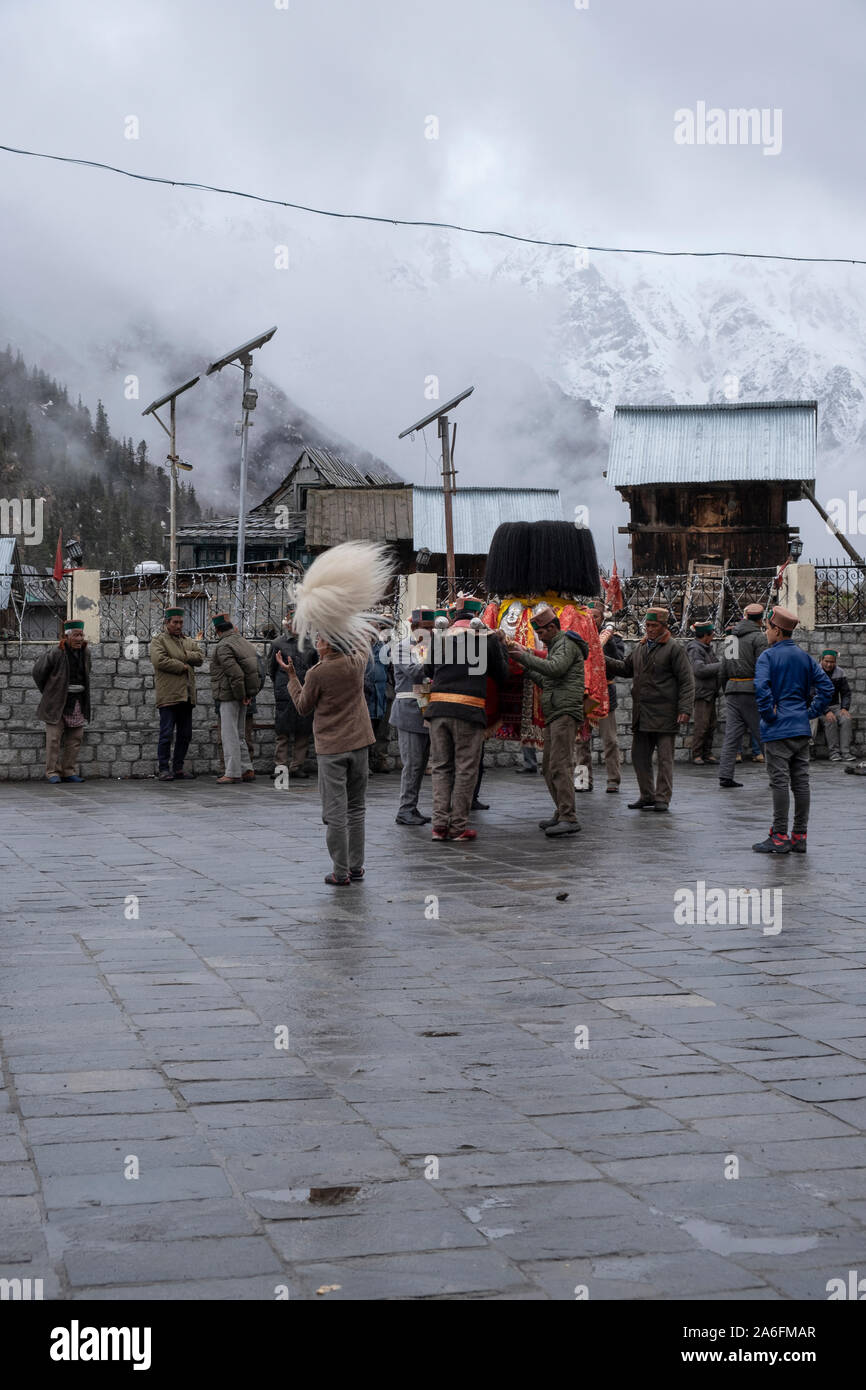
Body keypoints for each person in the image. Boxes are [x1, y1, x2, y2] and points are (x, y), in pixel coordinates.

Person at [276, 539, 394, 885]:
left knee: (335, 813)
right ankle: (357, 867)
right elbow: (363, 641)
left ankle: (340, 871)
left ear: (329, 642)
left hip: (331, 749)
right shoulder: (356, 664)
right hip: (360, 744)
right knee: (357, 809)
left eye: (322, 638)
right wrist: (350, 616)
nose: (318, 640)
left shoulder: (319, 672)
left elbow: (302, 706)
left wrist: (292, 677)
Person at [752, 605, 834, 854]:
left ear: (777, 630)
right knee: (801, 783)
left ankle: (779, 836)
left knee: (779, 782)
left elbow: (761, 688)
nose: (766, 633)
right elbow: (826, 689)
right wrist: (809, 712)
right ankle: (799, 836)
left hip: (778, 729)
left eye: (767, 628)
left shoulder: (767, 656)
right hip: (800, 728)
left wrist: (768, 714)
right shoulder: (804, 657)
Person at [424, 601, 508, 841]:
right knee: (465, 769)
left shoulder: (440, 637)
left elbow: (428, 671)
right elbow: (502, 674)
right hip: (469, 710)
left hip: (438, 709)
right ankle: (458, 826)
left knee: (440, 767)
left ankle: (439, 825)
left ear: (453, 619)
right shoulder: (485, 638)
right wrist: (500, 645)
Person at [505, 604, 588, 836]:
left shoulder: (566, 644)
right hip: (555, 711)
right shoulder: (555, 646)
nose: (539, 638)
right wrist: (525, 668)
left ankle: (569, 816)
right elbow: (547, 680)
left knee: (560, 765)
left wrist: (525, 657)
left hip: (564, 711)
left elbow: (555, 669)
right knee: (549, 767)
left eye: (541, 633)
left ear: (552, 628)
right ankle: (562, 811)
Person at [604, 606, 695, 812]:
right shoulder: (641, 648)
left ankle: (662, 798)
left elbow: (687, 681)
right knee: (639, 756)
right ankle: (647, 795)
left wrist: (685, 708)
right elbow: (625, 668)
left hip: (665, 712)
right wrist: (602, 659)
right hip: (642, 713)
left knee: (665, 759)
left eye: (654, 626)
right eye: (648, 625)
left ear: (664, 626)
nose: (650, 629)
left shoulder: (674, 649)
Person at [32, 619, 92, 783]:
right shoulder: (56, 653)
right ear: (66, 637)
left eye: (81, 635)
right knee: (53, 738)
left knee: (76, 737)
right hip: (56, 702)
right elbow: (38, 672)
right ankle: (52, 772)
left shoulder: (86, 653)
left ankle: (68, 771)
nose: (80, 639)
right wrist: (50, 691)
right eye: (76, 635)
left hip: (77, 700)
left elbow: (87, 673)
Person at [148, 607, 203, 780]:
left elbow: (200, 658)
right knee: (166, 734)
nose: (178, 625)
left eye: (180, 622)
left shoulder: (187, 641)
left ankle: (178, 767)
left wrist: (182, 655)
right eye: (175, 622)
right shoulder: (158, 641)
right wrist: (183, 665)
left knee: (185, 734)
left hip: (186, 695)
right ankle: (164, 768)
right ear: (167, 623)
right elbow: (160, 660)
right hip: (169, 695)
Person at [717, 603, 767, 788]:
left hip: (732, 690)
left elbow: (723, 669)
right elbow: (763, 668)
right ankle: (776, 774)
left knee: (731, 736)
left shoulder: (731, 638)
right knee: (763, 733)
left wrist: (727, 689)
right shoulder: (759, 638)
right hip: (751, 691)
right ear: (760, 620)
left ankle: (725, 775)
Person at [576, 601, 624, 792]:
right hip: (584, 695)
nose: (591, 619)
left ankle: (613, 779)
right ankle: (582, 780)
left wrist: (608, 639)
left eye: (595, 616)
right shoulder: (578, 636)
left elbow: (619, 663)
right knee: (581, 740)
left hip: (604, 694)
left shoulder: (614, 638)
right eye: (588, 616)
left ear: (602, 618)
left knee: (610, 740)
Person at [389, 613, 432, 826]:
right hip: (408, 711)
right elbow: (415, 671)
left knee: (421, 764)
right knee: (412, 763)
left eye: (432, 628)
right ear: (414, 626)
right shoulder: (401, 648)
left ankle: (411, 807)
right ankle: (404, 809)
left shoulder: (430, 645)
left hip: (425, 708)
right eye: (426, 627)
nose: (430, 631)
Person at [209, 613, 261, 784]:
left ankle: (232, 772)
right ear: (231, 627)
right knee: (239, 734)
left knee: (229, 733)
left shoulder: (223, 645)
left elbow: (235, 674)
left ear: (217, 630)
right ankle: (247, 769)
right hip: (244, 694)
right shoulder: (243, 642)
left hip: (230, 694)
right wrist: (247, 695)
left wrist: (241, 695)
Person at [269, 608, 317, 777]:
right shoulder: (278, 644)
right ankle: (280, 766)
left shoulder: (310, 645)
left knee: (303, 731)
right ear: (287, 624)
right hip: (284, 693)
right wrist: (281, 686)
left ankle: (297, 766)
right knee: (282, 731)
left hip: (304, 691)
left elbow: (315, 668)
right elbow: (272, 669)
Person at [685, 621, 721, 765]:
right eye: (711, 634)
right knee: (702, 725)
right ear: (705, 635)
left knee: (711, 724)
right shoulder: (695, 649)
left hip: (710, 691)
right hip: (702, 692)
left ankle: (707, 753)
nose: (713, 636)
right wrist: (721, 665)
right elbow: (699, 670)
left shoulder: (706, 648)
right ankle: (697, 754)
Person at [810, 649, 854, 762]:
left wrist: (844, 708)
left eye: (832, 662)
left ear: (835, 662)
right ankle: (834, 753)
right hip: (818, 706)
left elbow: (846, 693)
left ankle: (845, 752)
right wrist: (826, 711)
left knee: (846, 719)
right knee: (830, 720)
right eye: (826, 661)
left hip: (835, 706)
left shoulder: (840, 672)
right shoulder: (814, 672)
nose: (829, 664)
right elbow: (812, 694)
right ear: (821, 660)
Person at [364, 626, 394, 772]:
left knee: (383, 729)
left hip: (382, 692)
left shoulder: (384, 647)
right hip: (365, 693)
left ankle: (381, 758)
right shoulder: (359, 647)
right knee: (366, 729)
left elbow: (391, 668)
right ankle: (365, 762)